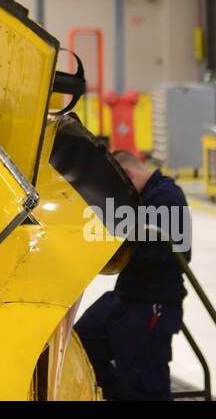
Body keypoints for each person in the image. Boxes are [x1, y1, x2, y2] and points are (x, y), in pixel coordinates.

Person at [74, 150, 192, 401]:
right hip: (127, 296)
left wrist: (105, 240)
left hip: (152, 304)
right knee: (80, 346)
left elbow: (151, 253)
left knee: (145, 385)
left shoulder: (165, 198)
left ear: (127, 175)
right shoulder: (143, 197)